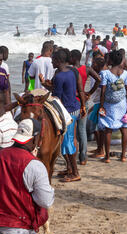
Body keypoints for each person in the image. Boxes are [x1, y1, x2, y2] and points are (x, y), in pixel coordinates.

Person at [50, 49, 86, 182]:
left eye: (53, 60)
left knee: (68, 142)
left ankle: (75, 172)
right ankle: (70, 168)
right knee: (69, 140)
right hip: (74, 108)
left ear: (58, 61)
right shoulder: (71, 72)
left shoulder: (59, 76)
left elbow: (57, 98)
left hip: (67, 112)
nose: (51, 62)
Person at [98, 50, 127, 163]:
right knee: (124, 128)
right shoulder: (126, 73)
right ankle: (123, 155)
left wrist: (101, 106)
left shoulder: (106, 73)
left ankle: (107, 157)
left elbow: (102, 91)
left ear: (110, 60)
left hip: (109, 104)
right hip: (122, 104)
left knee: (108, 128)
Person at [70, 49, 101, 165]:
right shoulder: (86, 69)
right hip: (84, 101)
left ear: (73, 58)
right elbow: (98, 79)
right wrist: (89, 93)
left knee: (72, 131)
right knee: (82, 130)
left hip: (72, 102)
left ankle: (71, 156)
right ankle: (83, 158)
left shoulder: (70, 70)